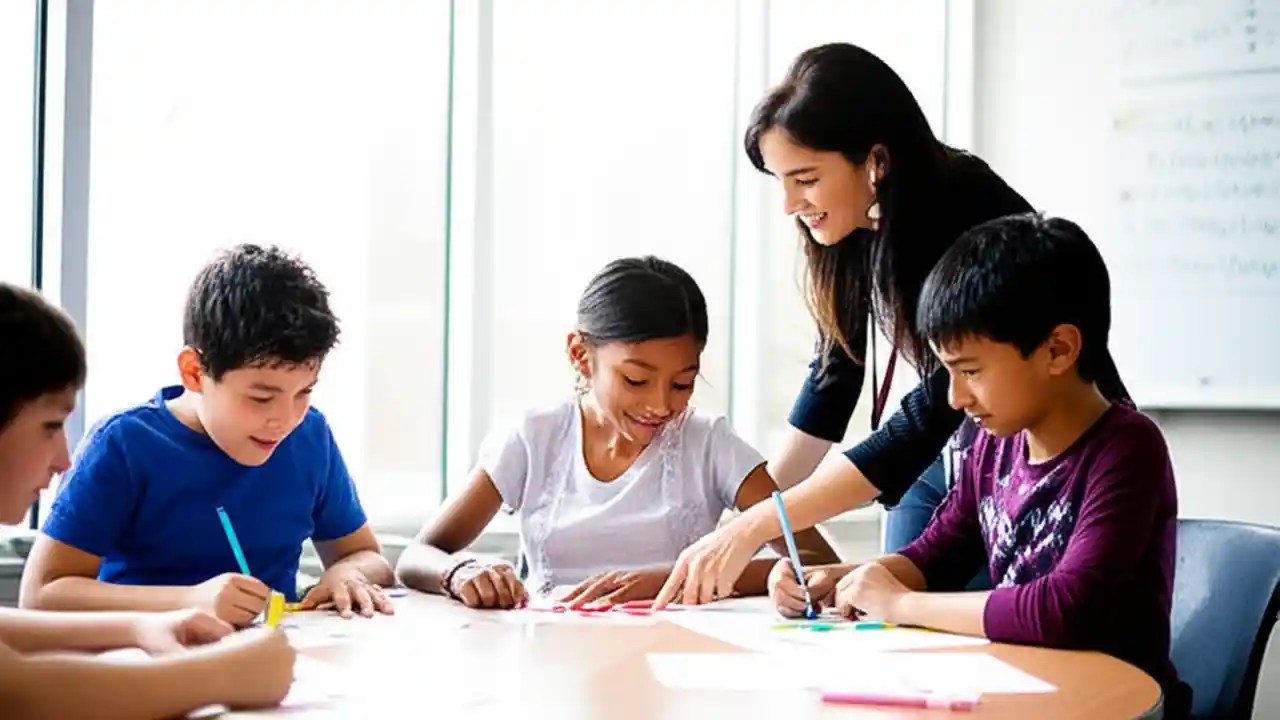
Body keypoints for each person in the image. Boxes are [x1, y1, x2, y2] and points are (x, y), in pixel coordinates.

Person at [653, 43, 1128, 607]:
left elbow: (933, 412)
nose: (788, 203)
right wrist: (763, 511)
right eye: (780, 180)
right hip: (958, 461)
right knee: (880, 617)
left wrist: (759, 523)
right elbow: (836, 374)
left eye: (804, 178)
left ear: (875, 161)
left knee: (980, 625)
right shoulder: (851, 226)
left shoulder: (964, 208)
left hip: (1032, 453)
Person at [768, 214, 1190, 718]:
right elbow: (937, 553)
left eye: (970, 370)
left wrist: (901, 604)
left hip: (1108, 705)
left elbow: (1068, 608)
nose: (955, 395)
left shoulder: (1127, 449)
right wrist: (849, 579)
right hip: (1020, 691)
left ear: (1057, 349)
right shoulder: (995, 440)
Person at [396, 257, 838, 608]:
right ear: (580, 354)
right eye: (635, 380)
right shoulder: (535, 438)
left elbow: (818, 561)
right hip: (550, 655)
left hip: (674, 655)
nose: (661, 405)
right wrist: (461, 572)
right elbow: (418, 556)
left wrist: (674, 579)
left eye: (682, 383)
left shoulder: (709, 445)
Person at [21, 244, 394, 624]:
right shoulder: (124, 445)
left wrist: (347, 573)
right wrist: (189, 600)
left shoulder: (310, 436)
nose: (285, 419)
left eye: (304, 392)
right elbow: (41, 594)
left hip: (275, 661)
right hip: (139, 665)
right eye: (261, 397)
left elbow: (368, 556)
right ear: (194, 372)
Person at [0, 281, 294, 718]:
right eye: (50, 425)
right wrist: (224, 675)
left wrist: (142, 627)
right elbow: (23, 694)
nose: (63, 460)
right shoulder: (125, 440)